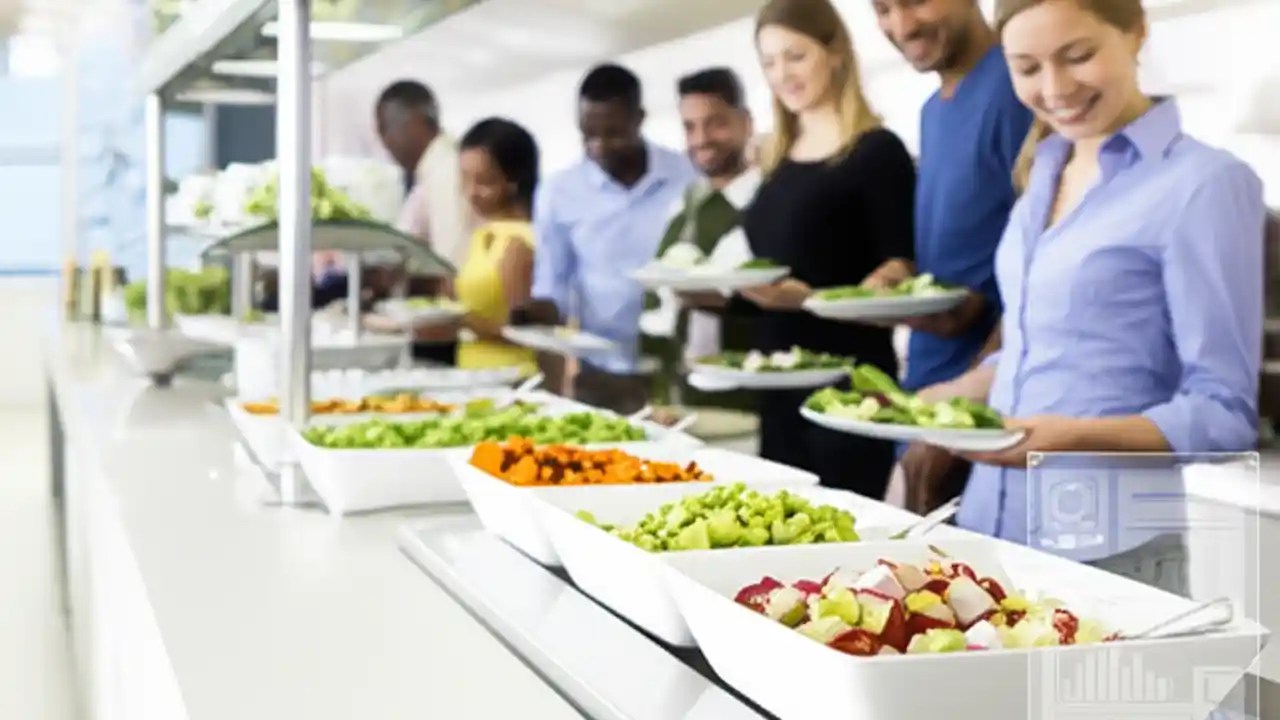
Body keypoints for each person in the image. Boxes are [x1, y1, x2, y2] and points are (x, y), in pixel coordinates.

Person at [923, 0, 1263, 594]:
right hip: (987, 531)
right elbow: (1050, 351)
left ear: (1136, 33)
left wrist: (1071, 436)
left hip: (1108, 549)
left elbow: (1224, 413)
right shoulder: (1041, 174)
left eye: (1077, 56)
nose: (1055, 88)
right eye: (1026, 68)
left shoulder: (1204, 184)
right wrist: (958, 392)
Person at [737, 0, 916, 496]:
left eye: (795, 56)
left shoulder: (876, 151)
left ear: (835, 51)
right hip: (779, 388)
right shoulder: (776, 157)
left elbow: (898, 270)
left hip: (848, 393)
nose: (781, 74)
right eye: (769, 62)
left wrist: (810, 298)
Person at [872, 0, 1034, 513]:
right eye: (882, 8)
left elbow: (1037, 280)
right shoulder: (931, 110)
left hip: (981, 419)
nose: (902, 25)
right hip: (923, 398)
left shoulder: (1018, 88)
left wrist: (956, 424)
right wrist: (901, 278)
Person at [516, 63, 698, 413]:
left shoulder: (687, 175)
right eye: (588, 135)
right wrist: (532, 313)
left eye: (612, 133)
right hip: (601, 376)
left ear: (639, 118)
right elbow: (553, 287)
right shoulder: (558, 192)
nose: (598, 147)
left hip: (679, 370)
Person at [642, 67, 760, 411]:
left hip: (748, 403)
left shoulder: (769, 203)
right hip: (686, 400)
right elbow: (658, 312)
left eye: (716, 123)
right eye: (689, 127)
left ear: (746, 122)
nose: (700, 139)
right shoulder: (685, 205)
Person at [375, 80, 471, 365]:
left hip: (455, 334)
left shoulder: (446, 169)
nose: (384, 142)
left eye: (384, 128)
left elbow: (451, 261)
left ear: (414, 122)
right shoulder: (431, 169)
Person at [438, 118, 542, 377]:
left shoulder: (517, 241)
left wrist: (461, 320)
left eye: (484, 181)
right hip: (475, 373)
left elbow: (523, 332)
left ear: (513, 180)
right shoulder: (484, 233)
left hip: (511, 376)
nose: (471, 192)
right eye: (465, 180)